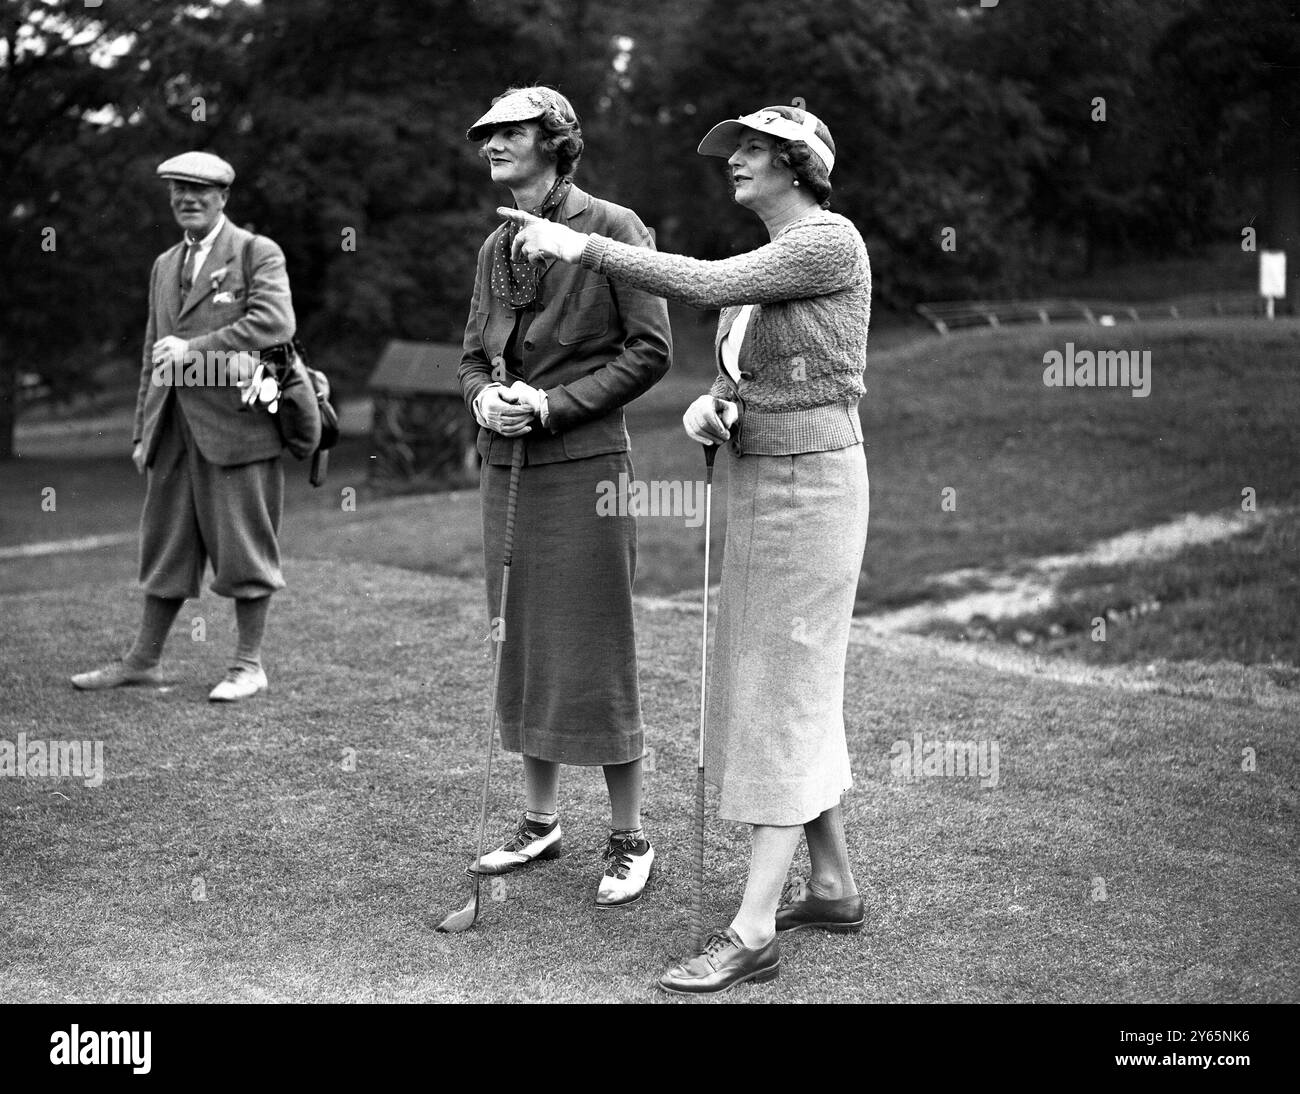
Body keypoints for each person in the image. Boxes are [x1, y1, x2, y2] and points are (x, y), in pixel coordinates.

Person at [504, 104, 870, 992]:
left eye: (752, 151)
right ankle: (830, 883)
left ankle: (752, 931)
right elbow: (769, 362)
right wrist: (720, 403)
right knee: (777, 682)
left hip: (810, 489)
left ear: (797, 164)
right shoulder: (771, 263)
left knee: (780, 688)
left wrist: (580, 247)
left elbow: (698, 283)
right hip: (763, 474)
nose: (734, 163)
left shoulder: (827, 240)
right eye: (735, 150)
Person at [456, 87, 672, 907]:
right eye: (486, 134)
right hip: (504, 466)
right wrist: (484, 400)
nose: (491, 145)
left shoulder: (614, 228)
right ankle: (540, 821)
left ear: (554, 141)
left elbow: (650, 351)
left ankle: (629, 836)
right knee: (522, 638)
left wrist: (552, 405)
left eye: (507, 132)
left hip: (584, 464)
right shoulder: (491, 248)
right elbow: (473, 354)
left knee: (595, 641)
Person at [71, 151, 297, 702]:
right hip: (173, 432)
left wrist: (194, 349)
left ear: (223, 197)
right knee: (165, 549)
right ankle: (142, 661)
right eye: (178, 190)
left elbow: (275, 323)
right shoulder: (165, 264)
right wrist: (142, 431)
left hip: (239, 427)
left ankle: (249, 665)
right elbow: (153, 355)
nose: (188, 199)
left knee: (245, 549)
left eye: (200, 190)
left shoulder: (254, 252)